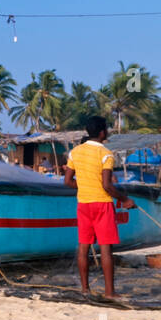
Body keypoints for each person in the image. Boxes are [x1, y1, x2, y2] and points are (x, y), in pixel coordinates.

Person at [64, 115, 136, 298]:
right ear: (103, 132)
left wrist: (86, 185)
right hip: (102, 204)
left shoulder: (75, 152)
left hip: (84, 204)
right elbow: (107, 186)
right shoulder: (106, 154)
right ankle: (110, 292)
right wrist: (125, 200)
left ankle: (85, 289)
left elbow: (67, 181)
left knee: (84, 247)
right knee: (105, 248)